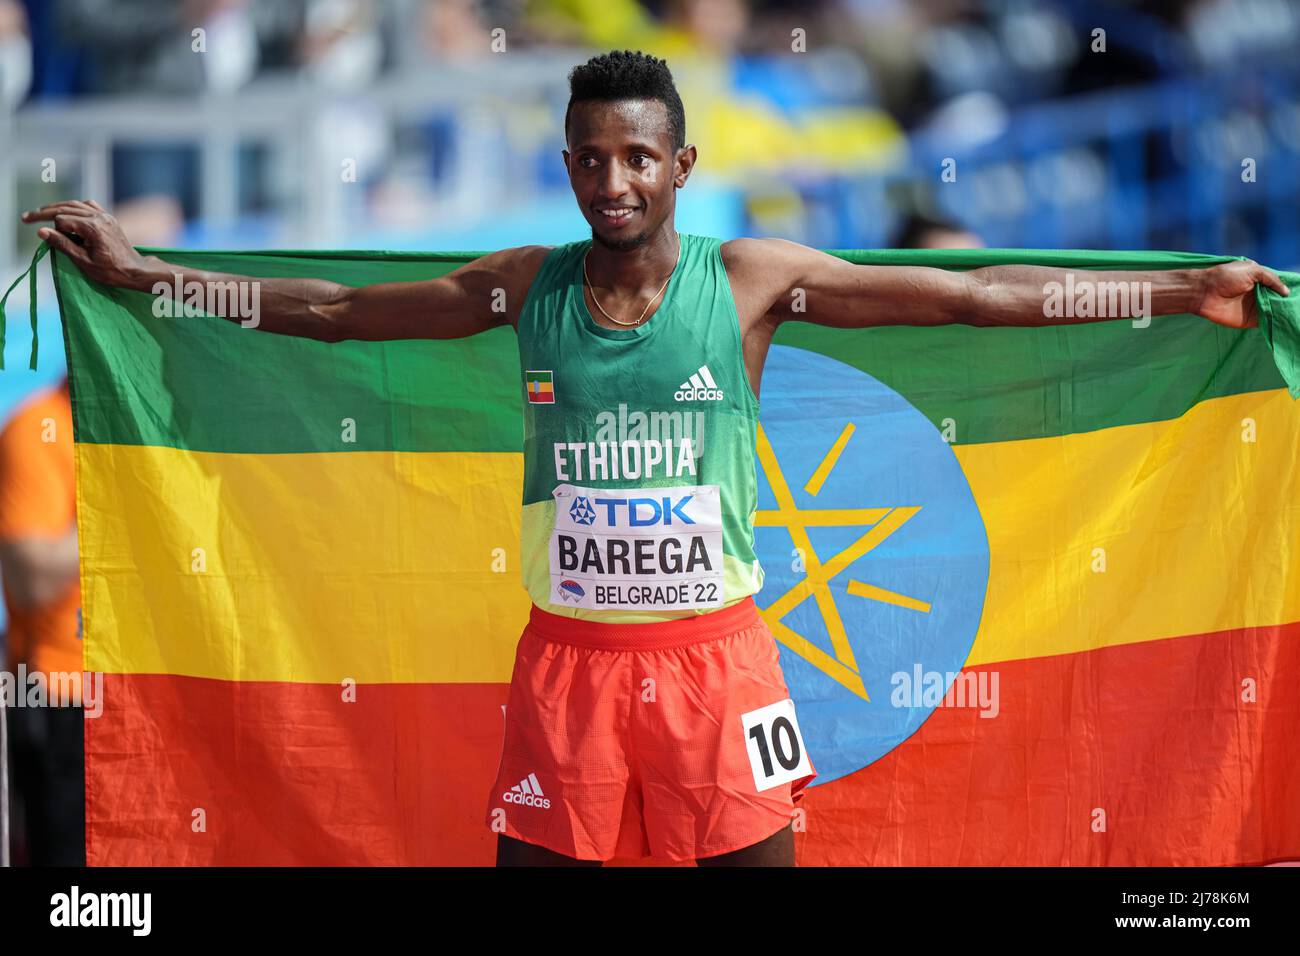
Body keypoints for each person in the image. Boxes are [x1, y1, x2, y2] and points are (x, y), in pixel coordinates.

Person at [19, 50, 1288, 867]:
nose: (612, 179)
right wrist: (156, 282)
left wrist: (1183, 286)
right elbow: (342, 313)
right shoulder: (527, 285)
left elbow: (970, 301)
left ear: (682, 164)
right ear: (565, 165)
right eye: (589, 157)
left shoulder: (749, 282)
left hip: (721, 665)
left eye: (637, 156)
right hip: (564, 669)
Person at [0, 376, 84, 866]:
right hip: (62, 695)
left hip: (155, 687)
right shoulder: (38, 428)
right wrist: (131, 510)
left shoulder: (164, 426)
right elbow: (29, 576)